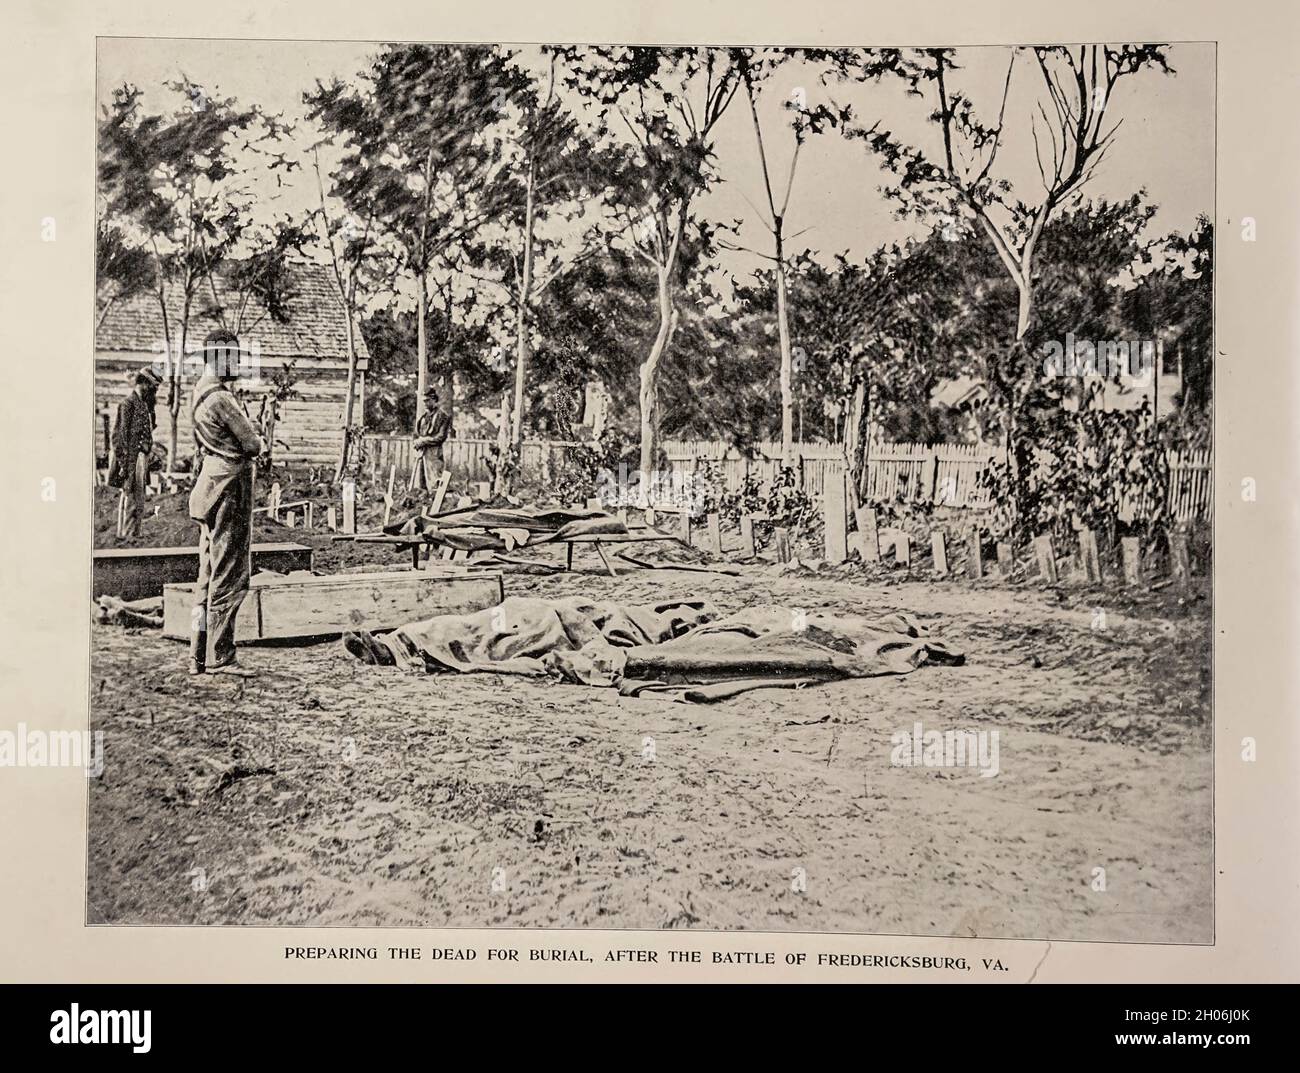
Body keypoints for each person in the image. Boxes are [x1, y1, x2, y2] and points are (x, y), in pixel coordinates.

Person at [186, 331, 266, 676]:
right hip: (228, 488)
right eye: (234, 357)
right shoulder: (221, 398)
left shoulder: (198, 393)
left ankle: (198, 656)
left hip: (209, 486)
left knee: (207, 573)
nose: (239, 364)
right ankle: (221, 656)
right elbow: (252, 445)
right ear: (219, 358)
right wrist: (257, 433)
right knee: (230, 573)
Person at [107, 367, 162, 538]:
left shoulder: (144, 405)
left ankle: (130, 535)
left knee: (136, 498)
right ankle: (128, 537)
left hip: (140, 458)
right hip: (131, 459)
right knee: (131, 499)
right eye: (152, 387)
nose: (154, 391)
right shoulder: (128, 404)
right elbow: (119, 438)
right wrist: (124, 465)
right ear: (143, 384)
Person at [412, 387, 452, 491]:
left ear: (434, 400)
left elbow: (441, 437)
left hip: (434, 454)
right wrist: (416, 441)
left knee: (434, 483)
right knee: (420, 485)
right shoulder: (422, 418)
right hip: (421, 453)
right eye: (423, 401)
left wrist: (424, 441)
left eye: (427, 401)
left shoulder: (443, 416)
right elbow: (416, 434)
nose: (425, 404)